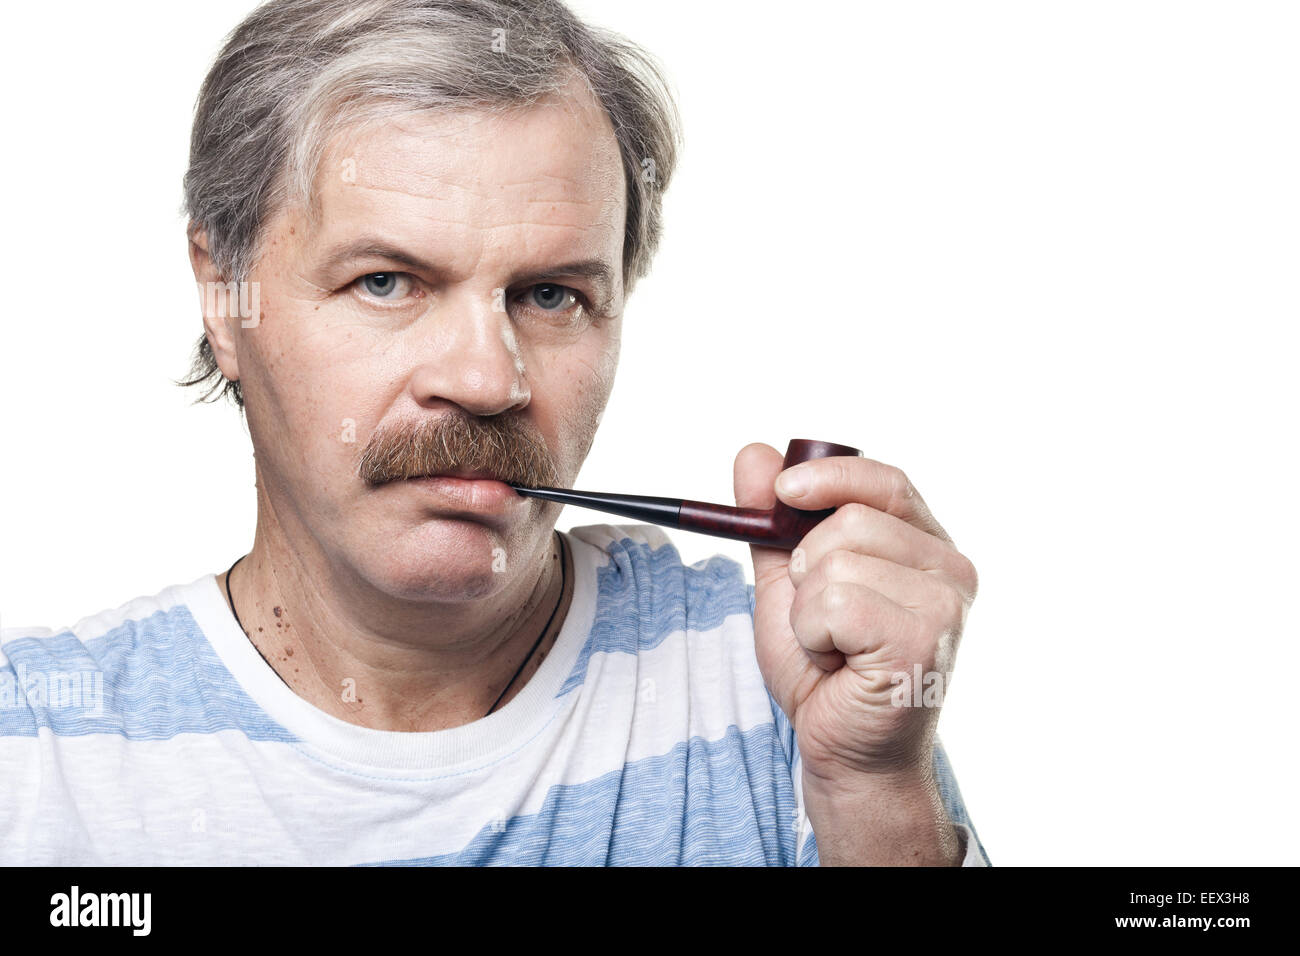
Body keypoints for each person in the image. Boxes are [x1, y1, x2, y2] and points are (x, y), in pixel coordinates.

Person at [0, 0, 988, 866]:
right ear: (227, 299)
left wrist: (873, 792)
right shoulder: (38, 750)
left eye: (551, 294)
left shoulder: (787, 688)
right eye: (385, 281)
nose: (484, 379)